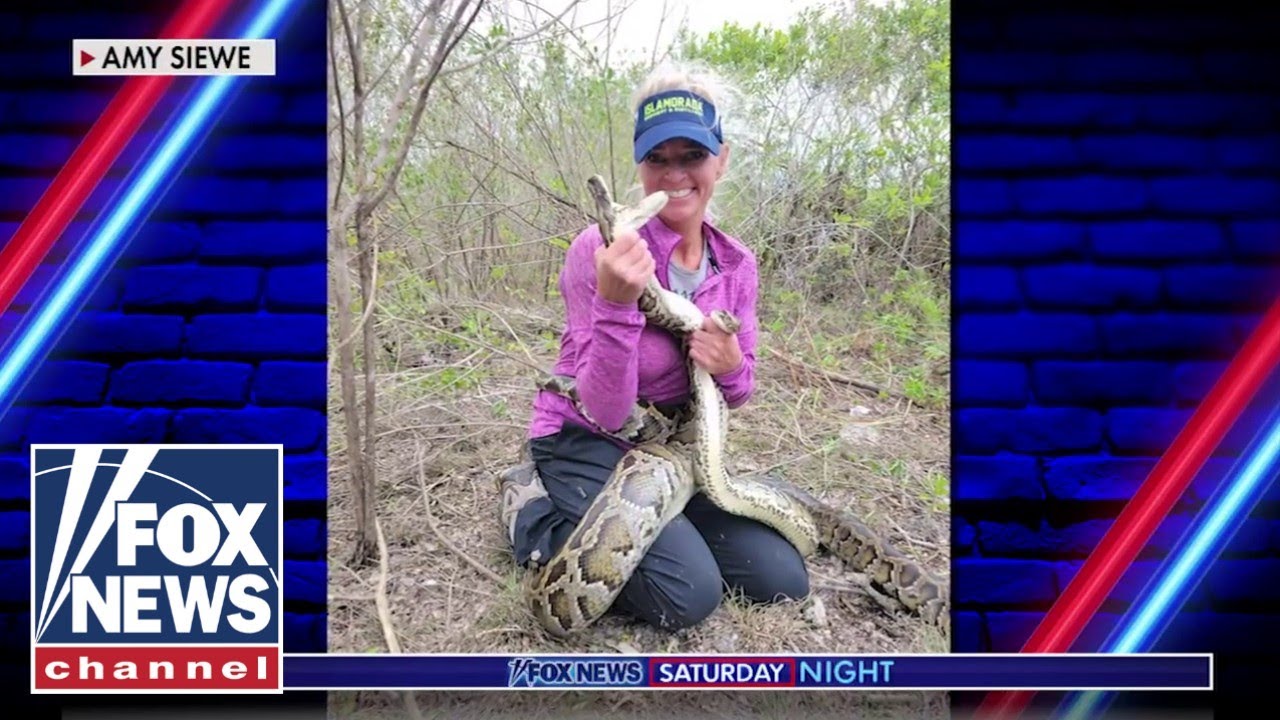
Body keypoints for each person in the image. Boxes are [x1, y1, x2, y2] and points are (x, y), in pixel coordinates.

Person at [497, 63, 809, 631]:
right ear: (639, 165)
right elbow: (608, 409)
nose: (674, 175)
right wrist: (616, 303)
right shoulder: (602, 249)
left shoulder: (737, 265)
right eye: (657, 159)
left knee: (782, 580)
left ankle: (665, 529)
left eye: (692, 156)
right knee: (687, 597)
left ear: (722, 159)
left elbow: (737, 392)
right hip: (585, 436)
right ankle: (532, 508)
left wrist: (732, 363)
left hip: (665, 449)